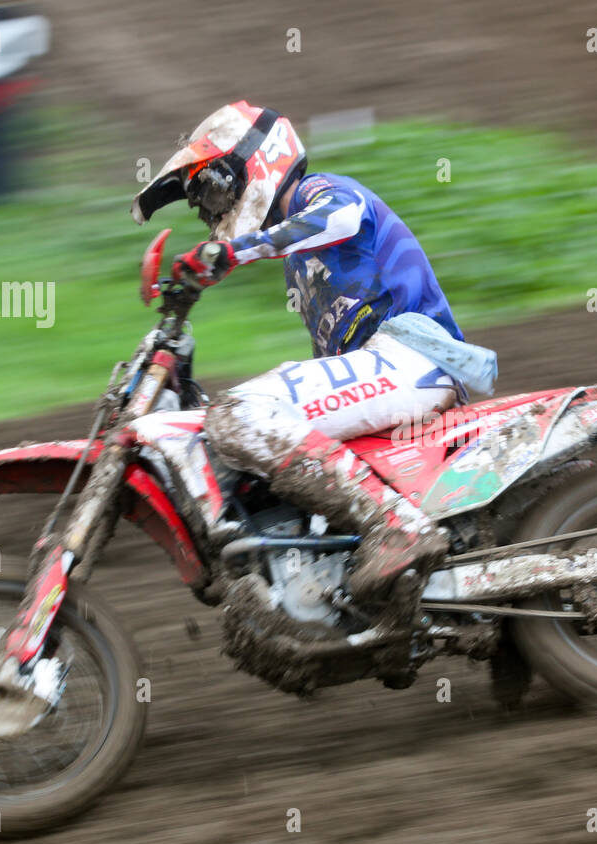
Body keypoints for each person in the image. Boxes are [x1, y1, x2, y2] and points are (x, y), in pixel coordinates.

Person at [130, 101, 497, 599]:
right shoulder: (297, 267)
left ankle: (396, 528)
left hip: (414, 357)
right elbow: (328, 369)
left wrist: (234, 251)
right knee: (238, 431)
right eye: (202, 202)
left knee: (241, 412)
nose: (209, 211)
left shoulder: (323, 192)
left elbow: (339, 218)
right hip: (387, 374)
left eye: (212, 188)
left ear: (259, 159)